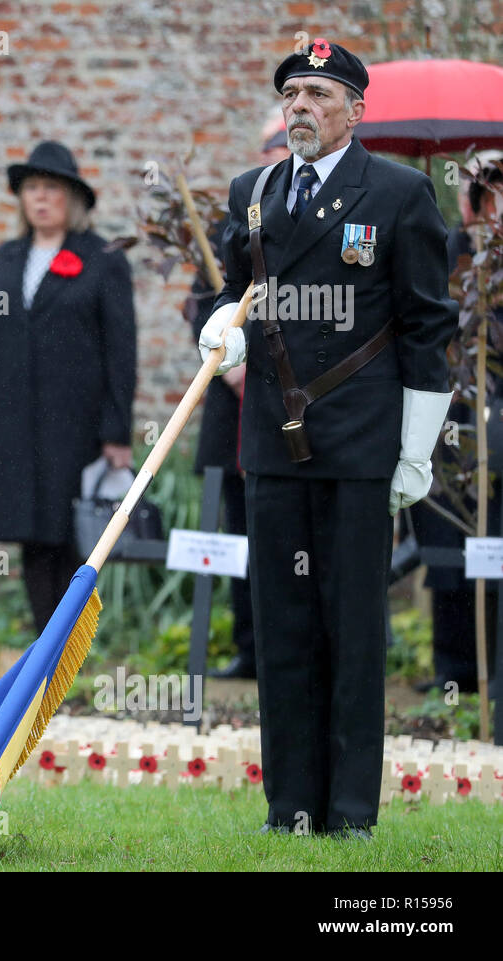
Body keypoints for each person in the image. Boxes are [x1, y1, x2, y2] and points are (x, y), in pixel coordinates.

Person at [199, 39, 457, 838]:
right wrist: (221, 325)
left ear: (356, 108)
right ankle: (291, 807)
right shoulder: (254, 192)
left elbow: (428, 328)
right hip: (274, 443)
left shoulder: (400, 193)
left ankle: (349, 811)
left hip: (358, 444)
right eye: (292, 93)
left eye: (317, 92)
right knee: (281, 627)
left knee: (349, 631)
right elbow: (238, 296)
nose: (300, 106)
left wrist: (415, 449)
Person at [0, 141, 137, 635]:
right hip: (16, 422)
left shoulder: (102, 258)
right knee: (29, 530)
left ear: (73, 199)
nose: (40, 199)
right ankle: (40, 643)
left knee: (69, 533)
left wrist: (117, 432)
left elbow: (121, 351)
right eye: (31, 190)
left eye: (51, 189)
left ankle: (69, 645)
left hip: (76, 422)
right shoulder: (6, 259)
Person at [187, 111, 289, 680]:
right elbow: (209, 301)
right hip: (235, 419)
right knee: (238, 538)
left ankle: (284, 654)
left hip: (286, 411)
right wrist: (225, 354)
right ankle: (249, 649)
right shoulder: (238, 224)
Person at [409, 153, 503, 695]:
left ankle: (492, 670)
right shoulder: (453, 250)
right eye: (484, 196)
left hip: (496, 416)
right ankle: (454, 665)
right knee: (446, 534)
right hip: (453, 416)